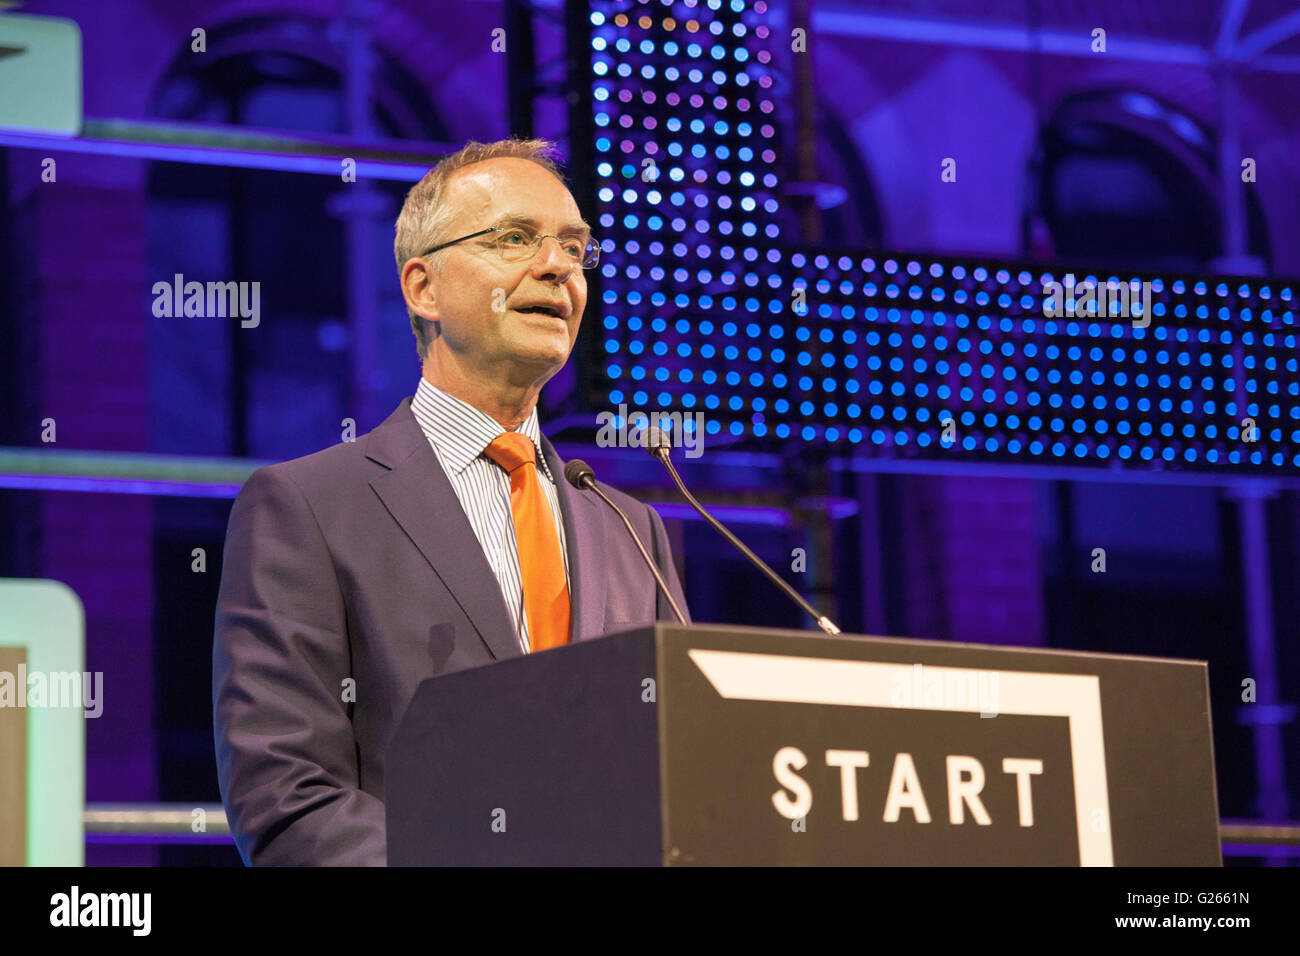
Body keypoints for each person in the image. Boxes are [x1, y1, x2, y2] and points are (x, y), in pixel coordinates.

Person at [212, 138, 691, 866]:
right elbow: (288, 797)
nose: (558, 265)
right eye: (515, 238)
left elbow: (684, 769)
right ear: (422, 288)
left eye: (574, 246)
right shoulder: (305, 509)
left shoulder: (632, 530)